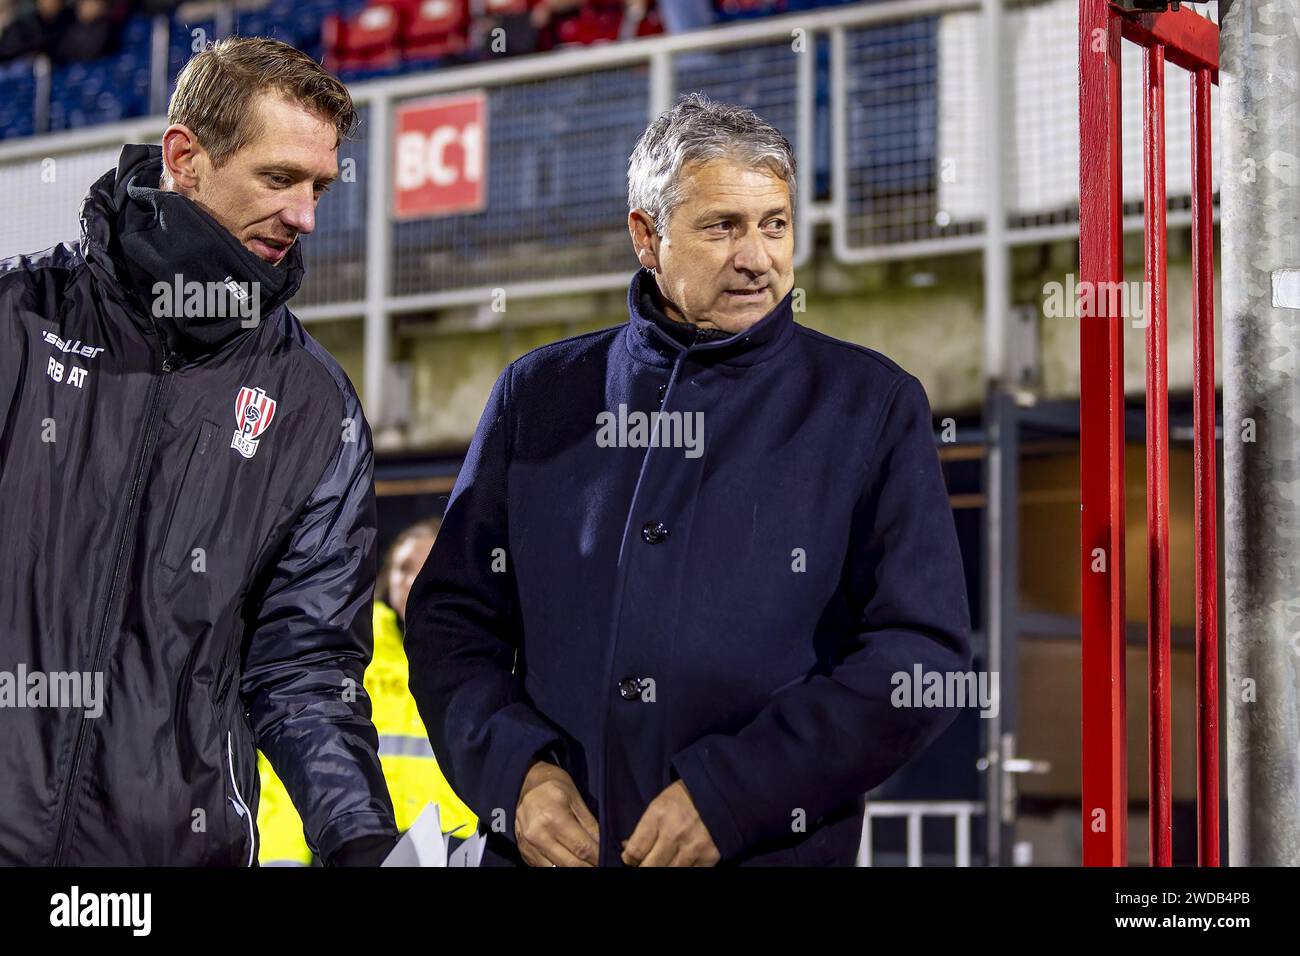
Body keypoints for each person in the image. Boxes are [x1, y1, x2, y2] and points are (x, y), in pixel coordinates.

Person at [404, 93, 972, 867]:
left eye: (775, 223)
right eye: (722, 227)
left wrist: (737, 793)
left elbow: (920, 655)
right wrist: (515, 774)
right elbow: (450, 627)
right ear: (647, 236)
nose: (758, 256)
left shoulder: (869, 406)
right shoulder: (538, 397)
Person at [0, 36, 397, 866]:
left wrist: (361, 840)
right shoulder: (16, 324)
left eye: (320, 186)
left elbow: (306, 669)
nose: (306, 215)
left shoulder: (314, 409)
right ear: (185, 157)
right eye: (280, 178)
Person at [257, 519, 479, 865]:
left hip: (457, 846)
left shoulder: (485, 658)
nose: (414, 580)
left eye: (429, 566)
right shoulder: (346, 651)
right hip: (360, 844)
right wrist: (280, 858)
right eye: (404, 568)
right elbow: (295, 757)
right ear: (386, 578)